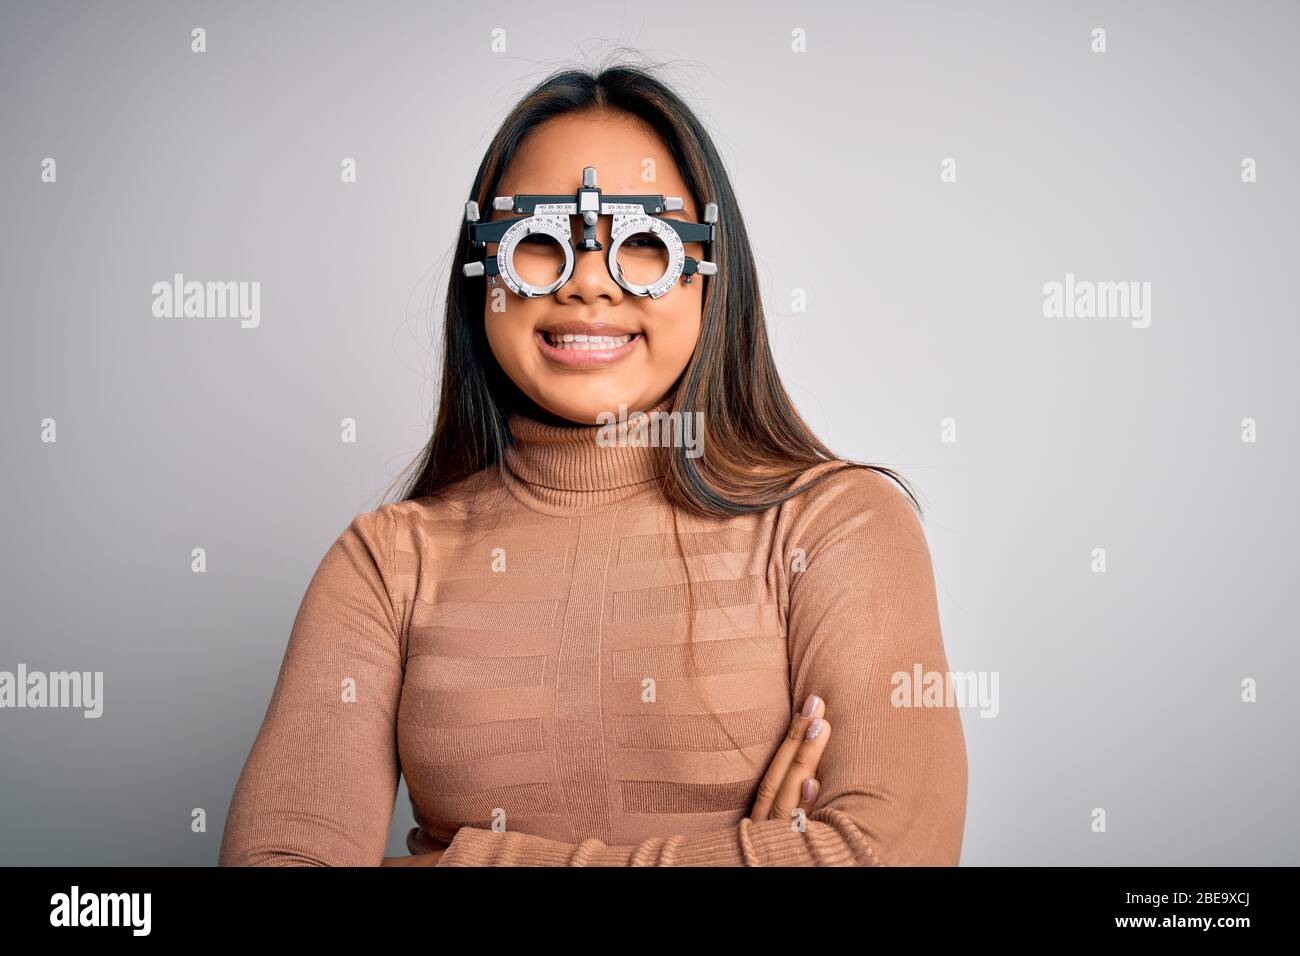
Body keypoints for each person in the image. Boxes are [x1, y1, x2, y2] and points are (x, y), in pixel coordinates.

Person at [217, 63, 967, 867]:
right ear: (482, 274)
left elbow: (890, 856)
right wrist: (755, 854)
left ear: (713, 276)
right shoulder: (387, 563)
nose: (587, 286)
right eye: (536, 244)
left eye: (644, 245)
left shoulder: (836, 527)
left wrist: (459, 859)